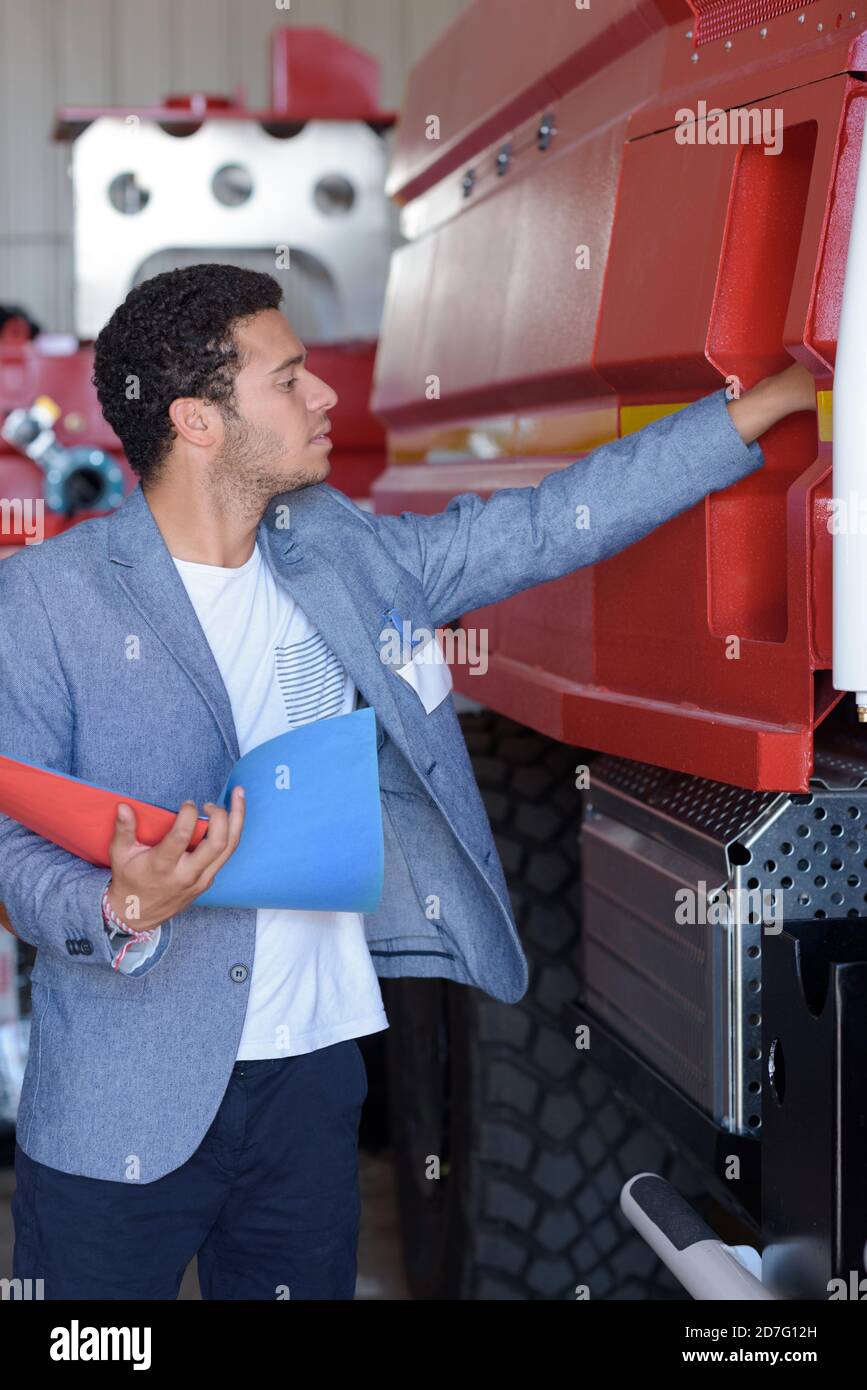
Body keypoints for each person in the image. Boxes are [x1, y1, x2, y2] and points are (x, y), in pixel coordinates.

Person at [1, 263, 816, 1299]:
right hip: (123, 1098)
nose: (324, 394)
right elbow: (10, 846)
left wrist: (752, 414)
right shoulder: (44, 598)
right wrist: (119, 900)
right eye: (289, 379)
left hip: (310, 1081)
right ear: (198, 422)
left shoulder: (336, 551)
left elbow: (542, 525)